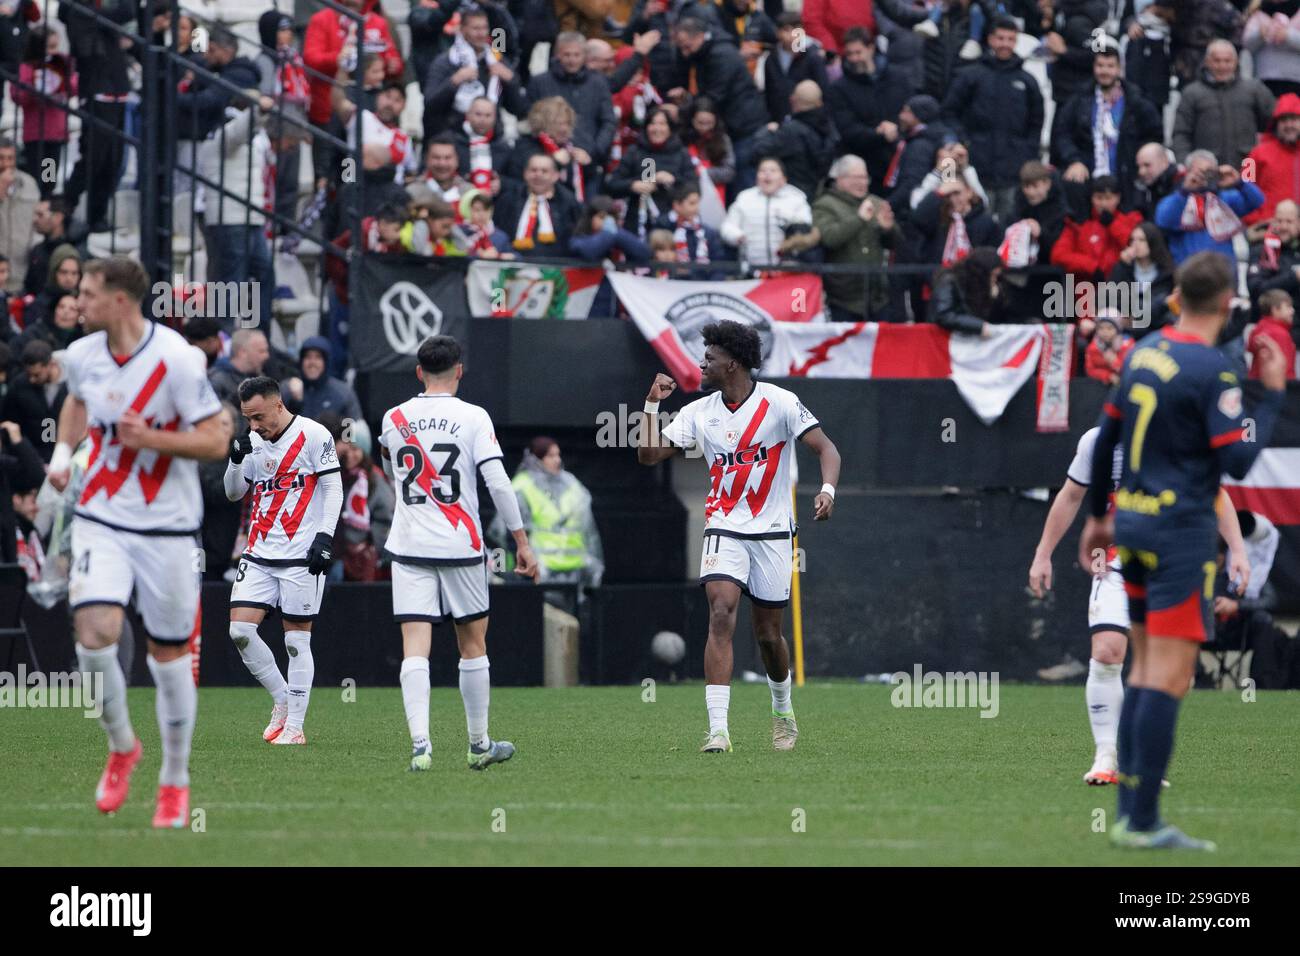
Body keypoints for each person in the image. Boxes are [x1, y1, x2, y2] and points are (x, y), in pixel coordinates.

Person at [1079, 251, 1289, 850]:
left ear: (1175, 298)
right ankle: (1143, 820)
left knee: (1143, 667)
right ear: (1227, 304)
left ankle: (1128, 813)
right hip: (1179, 537)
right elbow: (1239, 461)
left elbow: (1107, 437)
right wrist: (1270, 397)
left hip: (1133, 527)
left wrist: (1098, 519)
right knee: (1167, 677)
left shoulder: (1143, 353)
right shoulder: (1213, 368)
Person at [47, 256, 228, 828]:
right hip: (100, 517)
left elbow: (215, 440)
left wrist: (149, 436)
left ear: (120, 301)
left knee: (168, 654)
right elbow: (78, 402)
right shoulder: (81, 356)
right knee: (94, 630)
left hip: (169, 527)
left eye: (89, 294)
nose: (79, 303)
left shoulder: (177, 359)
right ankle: (122, 744)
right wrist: (61, 457)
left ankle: (175, 778)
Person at [637, 320, 841, 753]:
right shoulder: (699, 411)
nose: (701, 363)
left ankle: (782, 711)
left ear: (732, 363)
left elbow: (827, 449)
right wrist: (651, 406)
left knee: (768, 635)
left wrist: (827, 491)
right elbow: (649, 455)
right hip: (723, 526)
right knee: (721, 612)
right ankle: (718, 730)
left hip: (771, 533)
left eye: (709, 357)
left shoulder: (781, 402)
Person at [1030, 424, 1248, 786]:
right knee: (1107, 650)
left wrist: (1238, 550)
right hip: (1116, 559)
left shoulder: (1183, 434)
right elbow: (1070, 496)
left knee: (1170, 670)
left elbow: (1216, 494)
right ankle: (1106, 755)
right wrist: (1042, 555)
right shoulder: (1098, 441)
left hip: (1175, 562)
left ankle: (1143, 760)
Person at [378, 335, 538, 771]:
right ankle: (478, 744)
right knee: (472, 645)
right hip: (461, 545)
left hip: (409, 546)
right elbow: (499, 483)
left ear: (418, 372)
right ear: (459, 370)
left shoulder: (394, 417)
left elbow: (389, 458)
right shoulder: (473, 417)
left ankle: (420, 745)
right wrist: (521, 542)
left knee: (415, 646)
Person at [222, 377, 342, 745]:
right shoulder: (253, 441)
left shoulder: (314, 434)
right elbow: (233, 493)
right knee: (240, 631)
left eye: (258, 417)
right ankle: (282, 700)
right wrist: (235, 458)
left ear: (277, 405)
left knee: (295, 643)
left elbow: (332, 488)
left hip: (300, 554)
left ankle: (295, 728)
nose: (254, 425)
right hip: (259, 551)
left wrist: (325, 537)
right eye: (247, 418)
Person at [941, 15, 1045, 223]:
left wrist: (1026, 155)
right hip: (976, 171)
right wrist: (963, 142)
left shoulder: (1027, 82)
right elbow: (949, 113)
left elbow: (1036, 123)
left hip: (1013, 173)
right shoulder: (971, 75)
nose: (1005, 44)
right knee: (974, 226)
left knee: (1008, 227)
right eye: (1000, 38)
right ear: (990, 40)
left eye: (1010, 39)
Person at [1051, 43, 1164, 212]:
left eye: (1110, 66)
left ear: (1119, 68)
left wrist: (1140, 164)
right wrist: (1074, 160)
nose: (1105, 71)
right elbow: (1062, 133)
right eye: (1100, 65)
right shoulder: (1079, 99)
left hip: (1126, 180)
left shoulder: (1136, 101)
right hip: (1088, 178)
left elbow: (1154, 134)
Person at [502, 436, 605, 601]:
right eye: (550, 456)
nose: (557, 460)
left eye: (558, 455)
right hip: (541, 569)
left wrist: (592, 564)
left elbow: (588, 531)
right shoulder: (522, 486)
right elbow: (510, 535)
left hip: (575, 567)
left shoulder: (571, 483)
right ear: (536, 458)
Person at [826, 27, 915, 189]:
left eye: (858, 52)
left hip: (901, 158)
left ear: (871, 48)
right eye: (850, 54)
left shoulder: (898, 78)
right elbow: (847, 128)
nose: (854, 58)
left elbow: (912, 109)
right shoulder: (839, 88)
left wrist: (897, 128)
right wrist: (879, 133)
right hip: (867, 164)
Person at [813, 155, 900, 321]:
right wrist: (858, 219)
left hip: (877, 297)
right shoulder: (824, 204)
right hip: (843, 298)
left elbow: (896, 244)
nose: (863, 182)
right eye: (857, 177)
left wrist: (888, 229)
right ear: (840, 179)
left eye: (865, 177)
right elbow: (829, 239)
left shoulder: (876, 202)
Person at [1171, 39, 1276, 170]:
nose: (1222, 66)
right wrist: (1185, 163)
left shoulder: (1254, 90)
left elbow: (1274, 122)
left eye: (1227, 61)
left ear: (1236, 62)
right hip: (1207, 168)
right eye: (1217, 61)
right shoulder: (1191, 93)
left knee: (1250, 191)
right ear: (1207, 62)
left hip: (1248, 166)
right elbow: (1181, 133)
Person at [526, 31, 618, 174]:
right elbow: (533, 121)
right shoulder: (539, 82)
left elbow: (609, 121)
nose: (572, 60)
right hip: (549, 162)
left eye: (576, 55)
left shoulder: (598, 82)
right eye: (567, 55)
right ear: (557, 54)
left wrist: (594, 151)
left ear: (585, 56)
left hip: (589, 162)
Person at [1153, 149, 1265, 264]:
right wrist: (1185, 192)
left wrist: (1239, 182)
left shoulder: (1224, 199)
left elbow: (1257, 201)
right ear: (1187, 173)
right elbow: (1163, 220)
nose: (1204, 178)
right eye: (1199, 172)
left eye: (1210, 172)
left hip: (1223, 273)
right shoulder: (1177, 200)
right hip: (1190, 273)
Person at [606, 107, 697, 237]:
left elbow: (694, 186)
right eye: (652, 123)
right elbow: (612, 184)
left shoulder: (681, 153)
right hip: (638, 219)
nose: (657, 129)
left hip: (672, 221)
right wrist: (633, 185)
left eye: (662, 124)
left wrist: (673, 180)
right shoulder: (634, 151)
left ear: (670, 128)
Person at [749, 80, 839, 201]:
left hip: (790, 197)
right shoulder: (830, 129)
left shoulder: (790, 131)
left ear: (793, 100)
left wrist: (766, 131)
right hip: (819, 195)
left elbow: (756, 153)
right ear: (819, 102)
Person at [720, 157, 815, 268]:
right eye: (762, 170)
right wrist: (737, 236)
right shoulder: (744, 198)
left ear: (783, 178)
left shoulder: (796, 198)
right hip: (751, 268)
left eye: (773, 170)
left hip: (787, 269)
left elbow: (805, 227)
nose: (767, 174)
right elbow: (727, 226)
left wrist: (793, 239)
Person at [496, 153, 582, 257]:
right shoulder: (510, 199)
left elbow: (577, 236)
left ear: (555, 176)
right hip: (515, 265)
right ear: (525, 173)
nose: (538, 175)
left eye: (544, 171)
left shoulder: (568, 201)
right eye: (533, 170)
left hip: (557, 267)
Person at [1, 339, 66, 460]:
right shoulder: (19, 386)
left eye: (37, 375)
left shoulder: (70, 386)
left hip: (63, 454)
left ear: (51, 364)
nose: (32, 379)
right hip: (32, 457)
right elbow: (9, 421)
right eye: (28, 374)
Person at [1242, 94, 1300, 226]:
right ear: (1276, 124)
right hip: (1267, 228)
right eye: (1284, 120)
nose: (1289, 125)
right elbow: (1242, 189)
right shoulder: (1255, 154)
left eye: (1294, 119)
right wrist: (1257, 220)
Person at [0, 137, 41, 293]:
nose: (6, 164)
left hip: (20, 270)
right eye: (1, 158)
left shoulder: (29, 183)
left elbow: (37, 222)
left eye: (10, 158)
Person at [1248, 289, 1296, 382]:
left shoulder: (1260, 328)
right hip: (1278, 387)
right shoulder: (1279, 334)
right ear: (1275, 310)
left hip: (1259, 386)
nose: (1292, 311)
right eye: (1288, 307)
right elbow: (1285, 368)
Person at [1132, 143, 1180, 219]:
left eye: (1147, 165)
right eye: (1139, 166)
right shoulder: (1143, 188)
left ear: (1164, 162)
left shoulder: (1180, 186)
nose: (1141, 172)